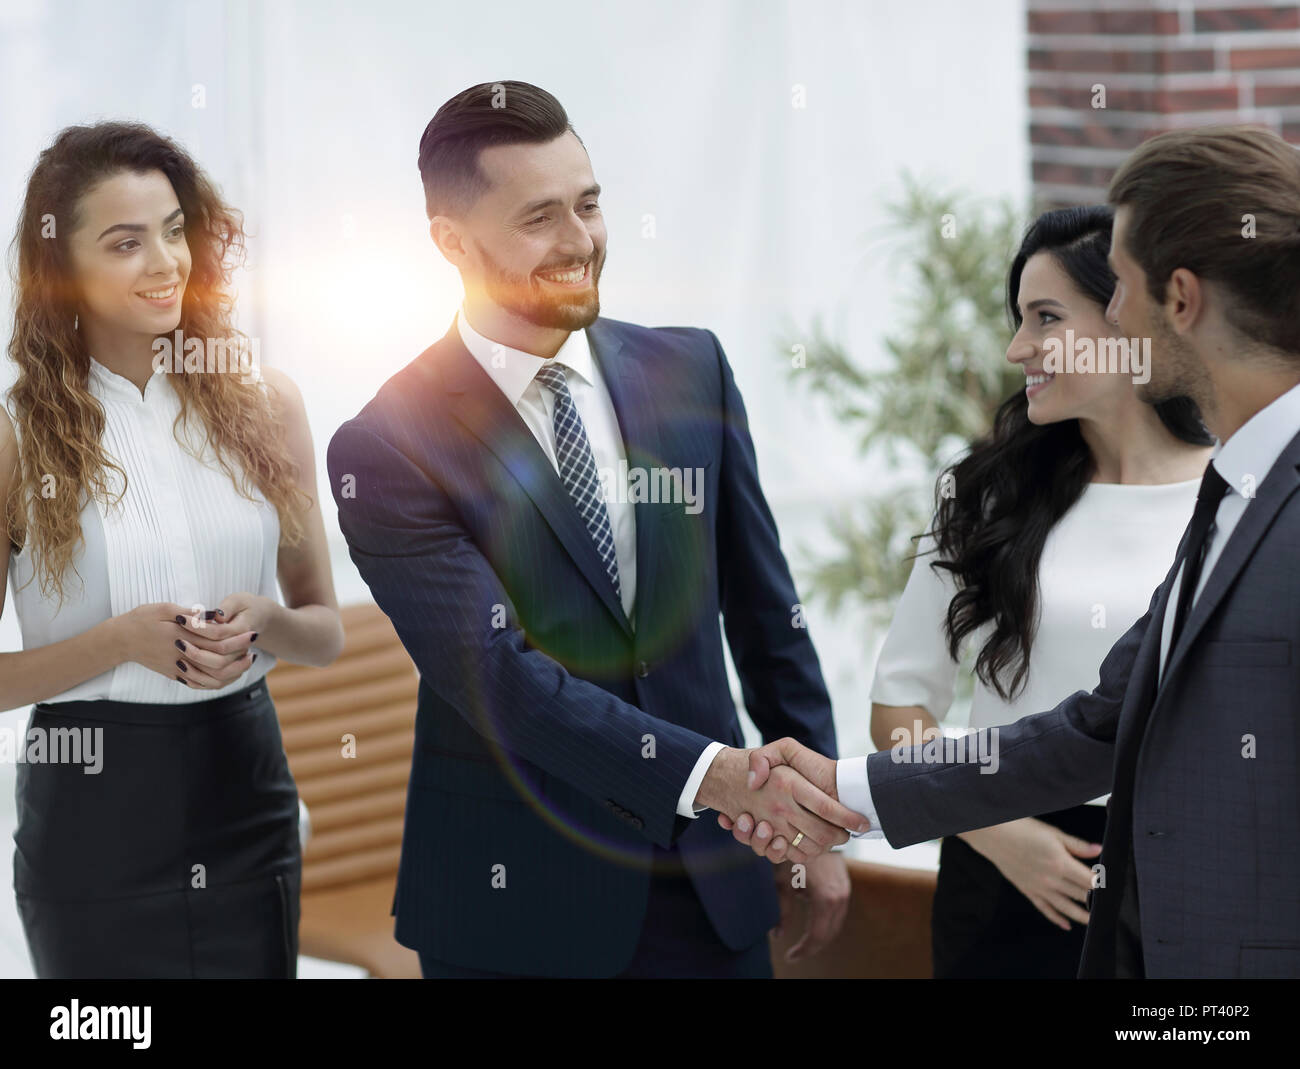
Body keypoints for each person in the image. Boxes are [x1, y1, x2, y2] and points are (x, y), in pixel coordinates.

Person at [725, 123, 1300, 979]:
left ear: (1177, 300)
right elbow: (1093, 725)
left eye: (1120, 293)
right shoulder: (1233, 491)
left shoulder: (1247, 488)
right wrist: (841, 791)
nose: (1116, 318)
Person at [327, 80, 866, 979]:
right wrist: (716, 775)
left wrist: (818, 813)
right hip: (517, 905)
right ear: (450, 242)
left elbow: (769, 616)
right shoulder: (386, 446)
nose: (580, 242)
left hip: (716, 879)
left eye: (589, 203)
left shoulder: (691, 367)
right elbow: (498, 678)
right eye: (540, 216)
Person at [1, 121, 344, 977]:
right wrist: (116, 643)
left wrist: (268, 621)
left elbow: (326, 630)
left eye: (173, 229)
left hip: (247, 794)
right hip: (91, 818)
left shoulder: (269, 404)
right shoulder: (15, 438)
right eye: (126, 242)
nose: (165, 262)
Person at [864, 205, 1212, 977]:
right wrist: (998, 829)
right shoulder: (983, 495)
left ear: (1128, 317)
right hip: (1005, 890)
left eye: (1045, 318)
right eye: (1018, 318)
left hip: (1189, 882)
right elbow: (899, 713)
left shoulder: (1237, 499)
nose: (1018, 347)